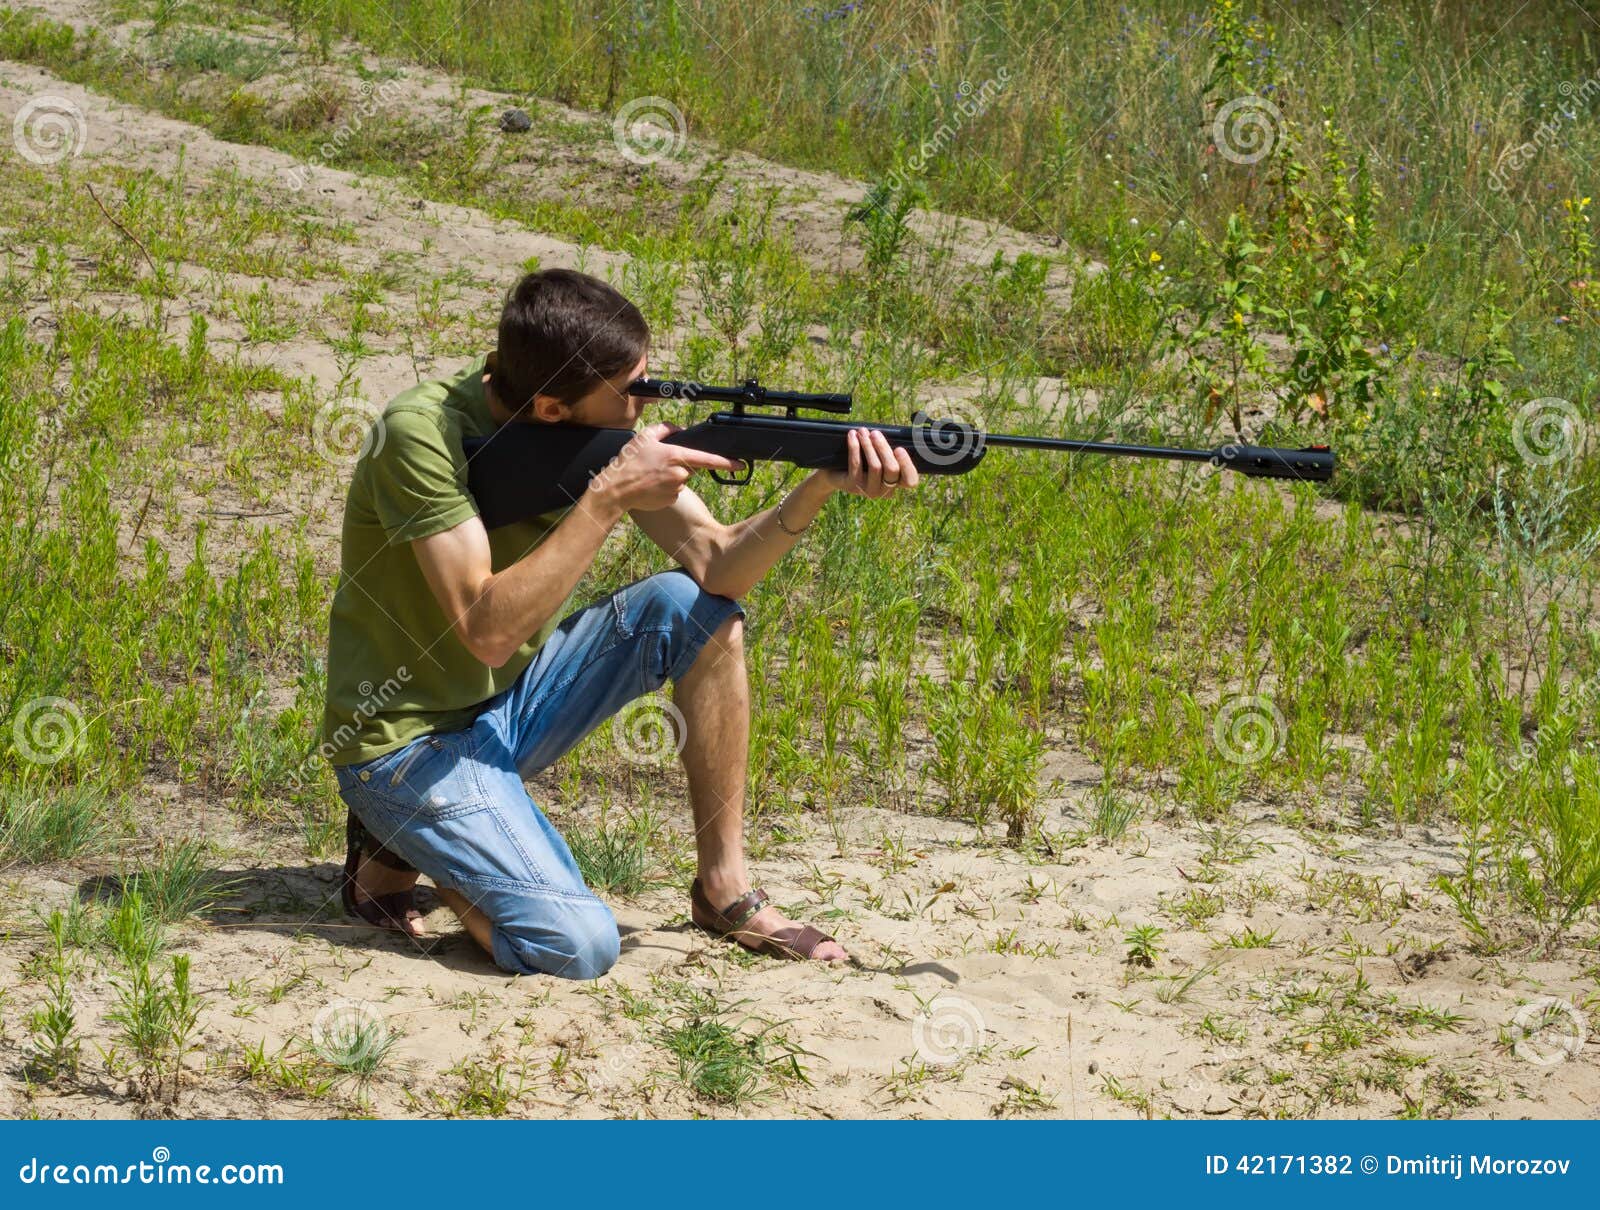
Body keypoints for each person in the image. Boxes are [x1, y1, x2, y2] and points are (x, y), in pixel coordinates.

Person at [320, 268, 918, 978]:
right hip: (402, 742)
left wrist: (818, 485)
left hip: (504, 707)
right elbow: (486, 631)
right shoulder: (419, 436)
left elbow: (720, 565)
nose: (651, 401)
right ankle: (424, 855)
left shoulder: (594, 433)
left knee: (694, 610)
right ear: (549, 409)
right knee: (578, 946)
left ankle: (723, 889)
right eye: (632, 391)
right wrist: (605, 501)